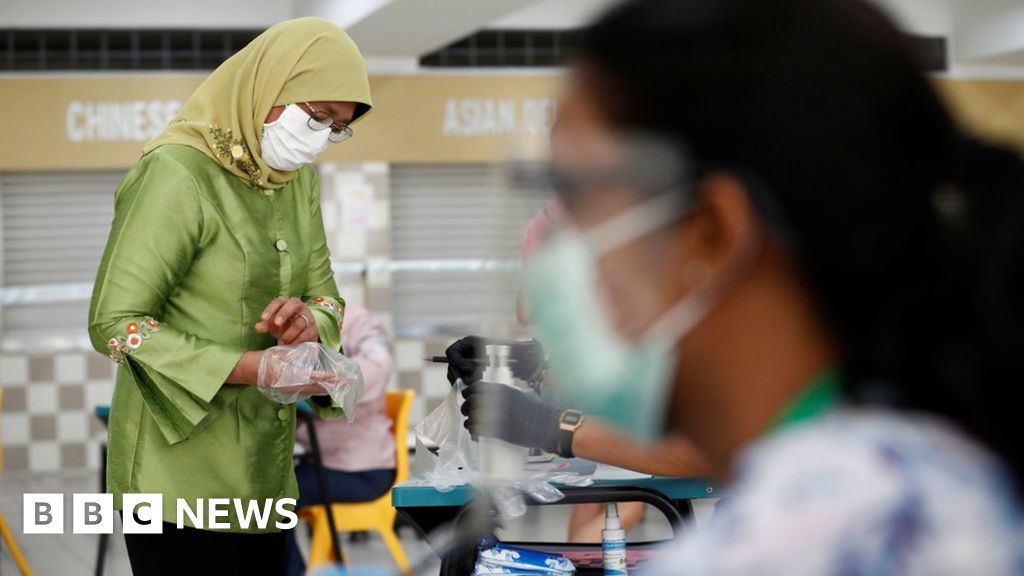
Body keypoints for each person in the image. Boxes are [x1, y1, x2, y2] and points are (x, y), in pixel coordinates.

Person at [509, 0, 1024, 573]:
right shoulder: (932, 473)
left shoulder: (790, 545)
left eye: (583, 198)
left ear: (713, 233)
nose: (560, 257)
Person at [87, 18, 371, 575]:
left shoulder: (295, 179)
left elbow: (328, 298)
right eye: (315, 116)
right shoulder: (176, 173)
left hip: (263, 465)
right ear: (266, 88)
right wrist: (250, 368)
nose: (317, 137)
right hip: (175, 471)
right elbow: (116, 324)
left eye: (336, 128)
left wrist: (308, 326)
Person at [288, 305, 397, 575]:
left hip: (362, 471)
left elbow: (379, 366)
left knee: (275, 499)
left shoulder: (356, 322)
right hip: (325, 463)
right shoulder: (288, 323)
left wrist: (316, 384)